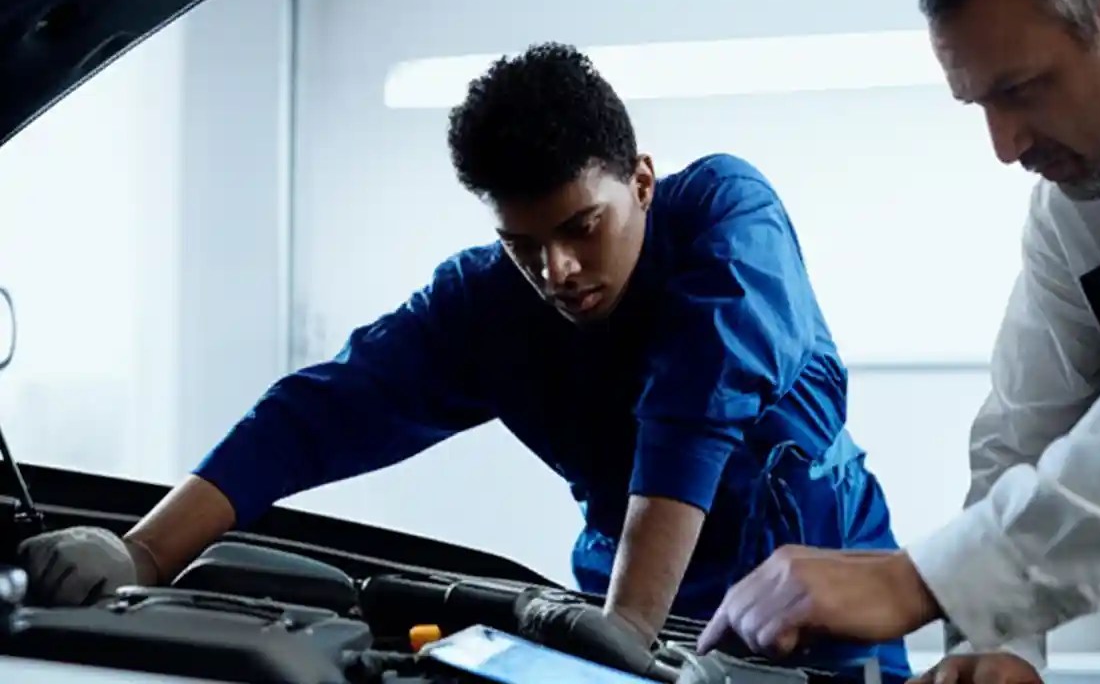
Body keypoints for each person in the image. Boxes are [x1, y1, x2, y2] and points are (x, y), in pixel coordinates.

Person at [15, 42, 912, 679]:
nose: (555, 271)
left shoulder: (728, 214)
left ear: (640, 180)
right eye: (523, 244)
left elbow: (697, 399)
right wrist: (138, 552)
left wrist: (629, 636)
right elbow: (314, 418)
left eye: (580, 228)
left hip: (820, 612)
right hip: (622, 606)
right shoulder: (486, 306)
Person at [696, 0, 1100, 682]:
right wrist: (994, 643)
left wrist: (916, 582)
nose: (1004, 147)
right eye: (979, 103)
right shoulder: (1079, 205)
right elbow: (1020, 436)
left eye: (1020, 90)